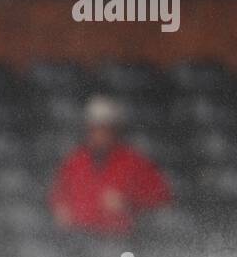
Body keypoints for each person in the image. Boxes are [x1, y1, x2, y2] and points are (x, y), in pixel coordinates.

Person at [49, 95, 172, 238]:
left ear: (115, 130)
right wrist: (60, 207)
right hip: (79, 239)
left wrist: (129, 201)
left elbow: (162, 197)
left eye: (104, 128)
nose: (99, 134)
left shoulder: (135, 161)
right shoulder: (74, 161)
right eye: (94, 128)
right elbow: (58, 194)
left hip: (121, 240)